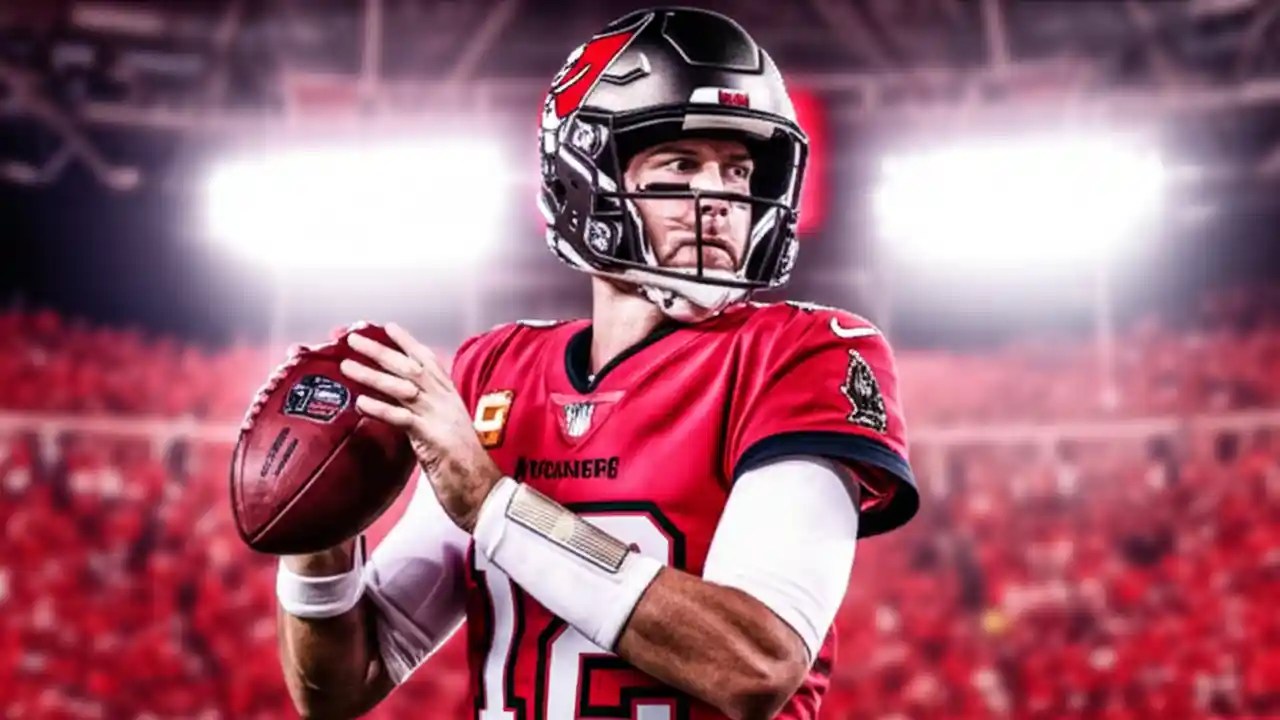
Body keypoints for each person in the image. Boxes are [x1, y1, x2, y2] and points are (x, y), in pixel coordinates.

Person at [265, 7, 918, 719]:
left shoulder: (804, 353)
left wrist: (493, 504)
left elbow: (755, 664)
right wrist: (320, 535)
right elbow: (344, 682)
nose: (722, 199)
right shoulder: (495, 372)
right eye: (680, 165)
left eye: (738, 169)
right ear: (586, 178)